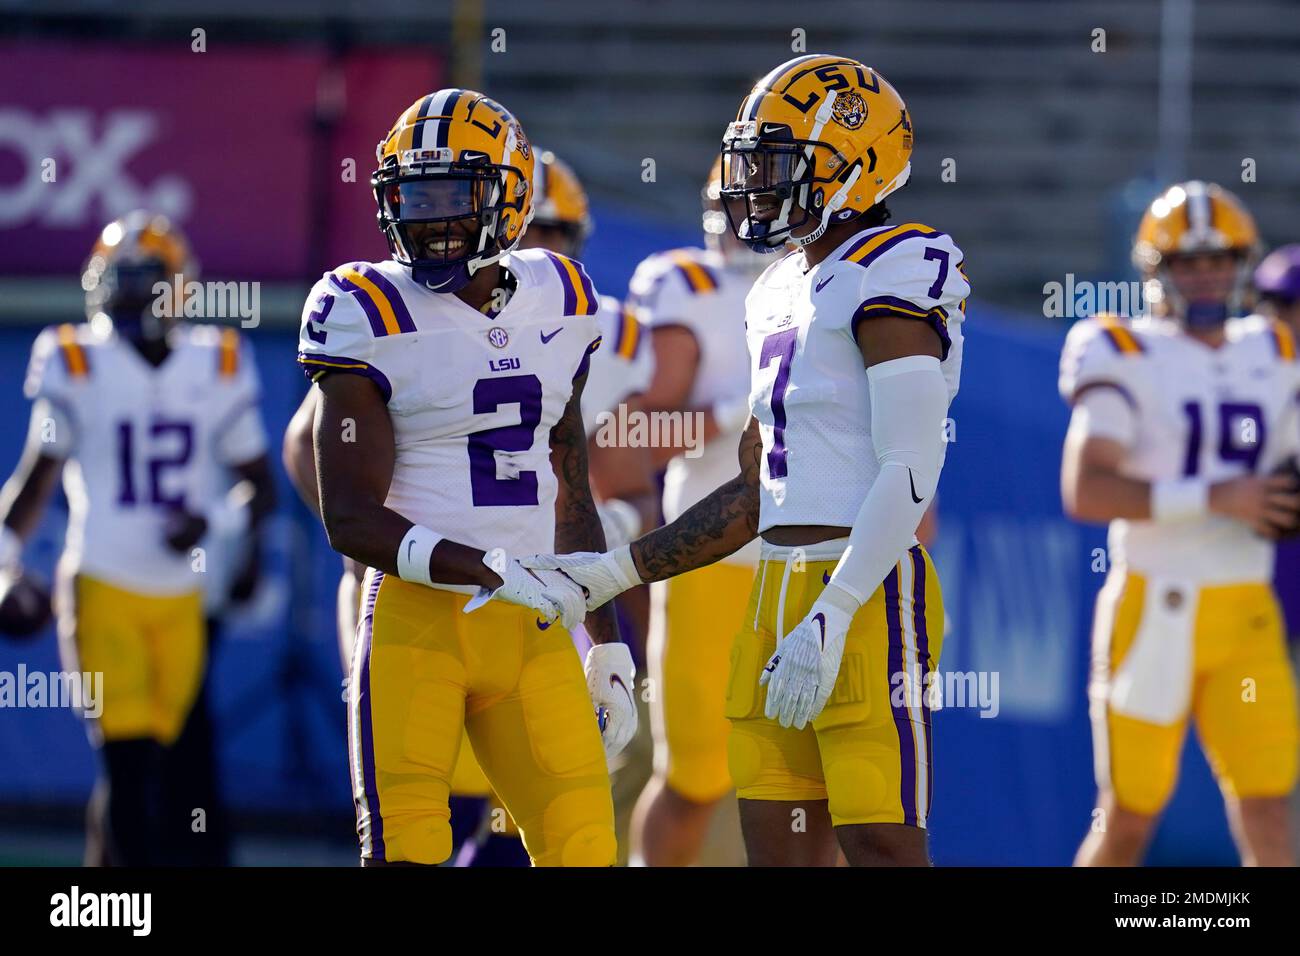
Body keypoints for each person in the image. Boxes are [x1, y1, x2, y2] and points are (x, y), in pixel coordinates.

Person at [526, 54, 968, 866]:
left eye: (777, 164)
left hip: (862, 586)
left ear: (852, 166)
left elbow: (909, 467)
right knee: (779, 846)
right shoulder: (777, 288)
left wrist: (834, 611)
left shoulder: (897, 266)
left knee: (879, 842)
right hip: (770, 586)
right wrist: (618, 573)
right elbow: (757, 489)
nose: (754, 186)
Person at [298, 90, 635, 866]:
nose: (429, 218)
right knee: (409, 853)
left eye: (453, 195)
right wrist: (492, 570)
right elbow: (349, 518)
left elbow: (569, 485)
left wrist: (606, 643)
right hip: (421, 622)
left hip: (535, 627)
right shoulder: (366, 308)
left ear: (511, 198)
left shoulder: (565, 295)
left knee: (583, 848)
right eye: (412, 196)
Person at [0, 211, 276, 865]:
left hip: (184, 593)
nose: (127, 298)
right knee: (126, 766)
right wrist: (5, 569)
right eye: (119, 283)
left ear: (178, 290)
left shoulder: (218, 361)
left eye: (143, 284)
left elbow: (261, 489)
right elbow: (35, 480)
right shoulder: (75, 358)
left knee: (167, 762)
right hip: (101, 583)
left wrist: (215, 523)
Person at [1060, 182, 1300, 866]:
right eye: (1190, 262)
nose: (1206, 275)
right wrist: (1215, 497)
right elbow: (1086, 489)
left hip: (1248, 612)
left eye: (1220, 260)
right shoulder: (1122, 348)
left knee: (1267, 808)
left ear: (1242, 265)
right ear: (1156, 269)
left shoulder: (1274, 352)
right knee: (1130, 817)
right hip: (1154, 607)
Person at [622, 158, 766, 866]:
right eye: (740, 204)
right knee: (693, 777)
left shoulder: (839, 287)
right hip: (710, 559)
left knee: (821, 785)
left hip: (814, 560)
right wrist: (729, 415)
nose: (751, 223)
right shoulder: (689, 285)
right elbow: (636, 435)